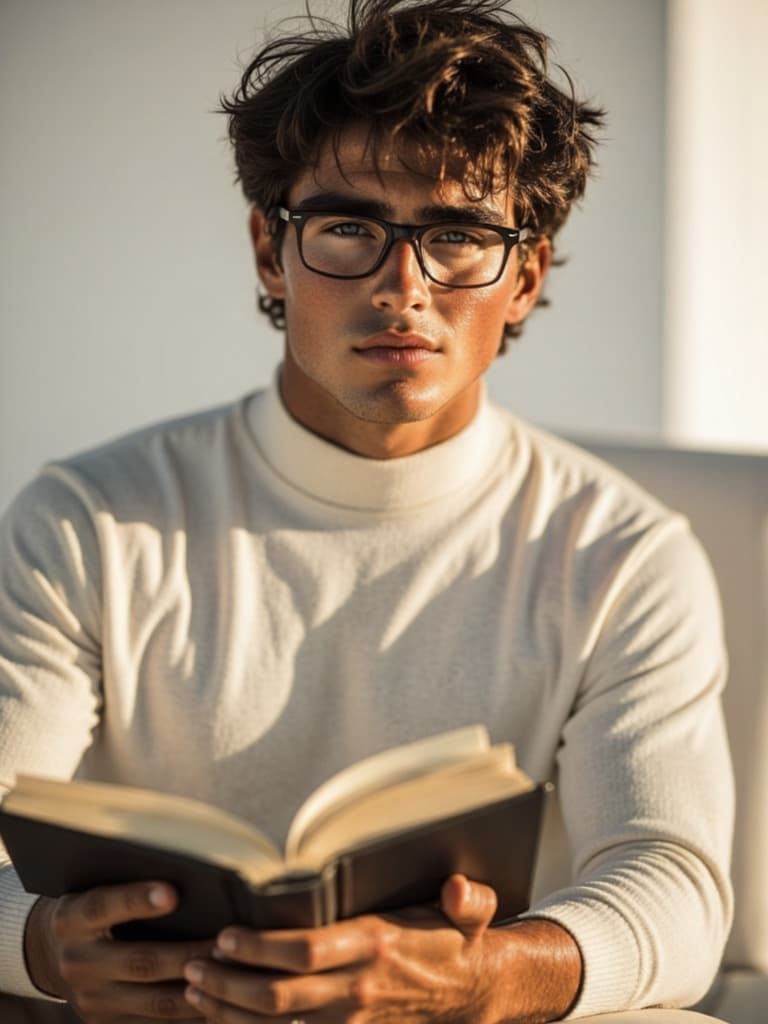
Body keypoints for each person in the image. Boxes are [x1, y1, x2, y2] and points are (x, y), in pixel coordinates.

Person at [0, 1, 734, 1021]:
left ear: (524, 273)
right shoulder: (88, 519)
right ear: (271, 251)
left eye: (458, 235)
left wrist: (493, 977)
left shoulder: (623, 553)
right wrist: (39, 943)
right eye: (348, 227)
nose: (403, 286)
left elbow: (675, 885)